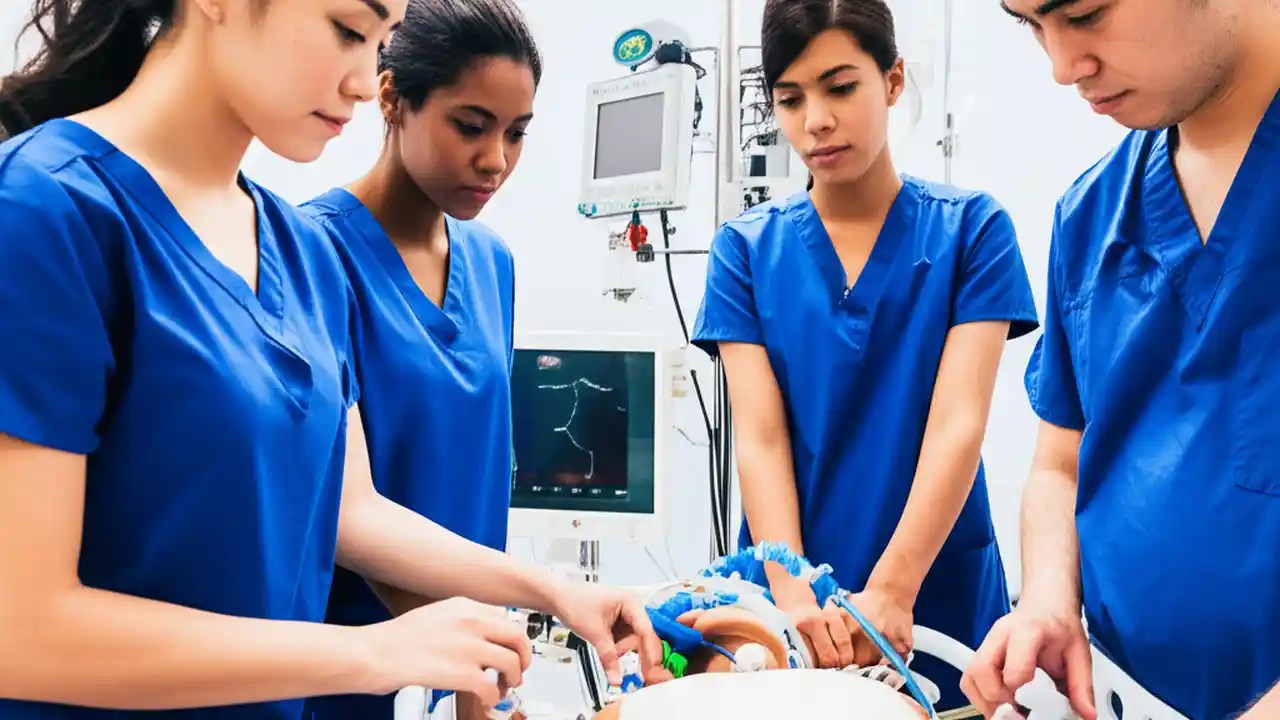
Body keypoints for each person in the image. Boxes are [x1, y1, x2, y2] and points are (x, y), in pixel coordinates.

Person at [0, 2, 658, 718]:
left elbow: (353, 512)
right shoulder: (45, 209)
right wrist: (375, 652)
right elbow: (20, 631)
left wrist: (553, 591)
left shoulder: (301, 252)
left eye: (380, 43)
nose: (365, 81)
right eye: (348, 30)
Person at [689, 0, 1039, 710]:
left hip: (933, 586)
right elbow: (760, 437)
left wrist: (893, 589)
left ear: (893, 80)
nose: (815, 120)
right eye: (790, 99)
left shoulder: (973, 231)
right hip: (792, 601)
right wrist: (791, 592)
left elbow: (957, 425)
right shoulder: (745, 251)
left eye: (840, 87)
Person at [961, 1, 1280, 719]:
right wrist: (1048, 599)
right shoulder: (1092, 217)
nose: (1061, 67)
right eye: (1029, 24)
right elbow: (1060, 465)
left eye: (1084, 12)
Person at [297, 1, 536, 717]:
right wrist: (470, 664)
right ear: (393, 98)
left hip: (466, 662)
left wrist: (484, 663)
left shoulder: (492, 264)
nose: (496, 160)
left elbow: (474, 467)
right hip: (346, 668)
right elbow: (344, 512)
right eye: (470, 125)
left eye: (516, 132)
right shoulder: (311, 254)